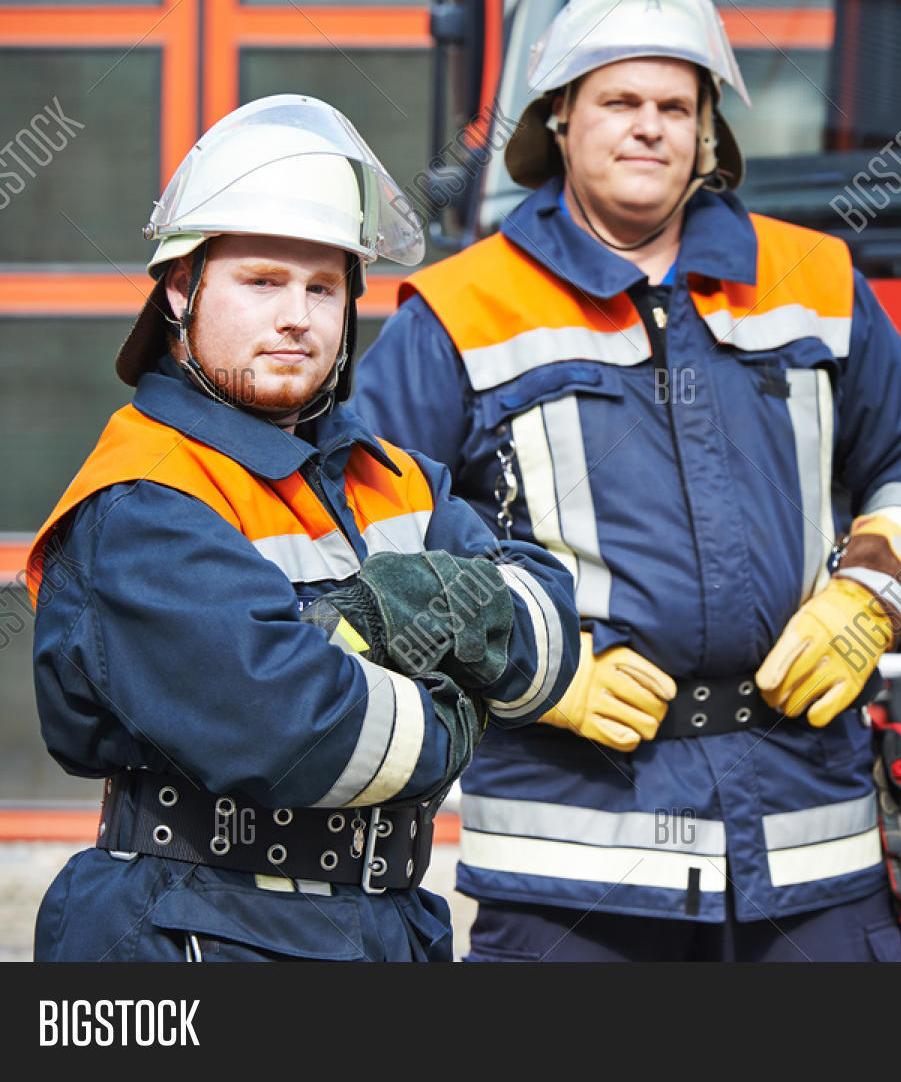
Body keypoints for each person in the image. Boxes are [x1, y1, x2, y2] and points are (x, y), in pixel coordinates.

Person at [354, 0, 901, 961]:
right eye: (620, 101)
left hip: (811, 842)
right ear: (559, 116)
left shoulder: (815, 278)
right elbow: (366, 529)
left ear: (707, 129)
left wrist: (870, 595)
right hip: (578, 864)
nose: (649, 127)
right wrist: (531, 669)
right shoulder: (461, 310)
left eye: (674, 105)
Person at [26, 94, 579, 962]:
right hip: (196, 933)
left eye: (323, 286)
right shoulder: (145, 499)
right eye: (262, 282)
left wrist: (373, 627)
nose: (298, 316)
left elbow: (549, 632)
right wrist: (462, 696)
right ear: (180, 288)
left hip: (383, 926)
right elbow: (301, 731)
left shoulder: (392, 477)